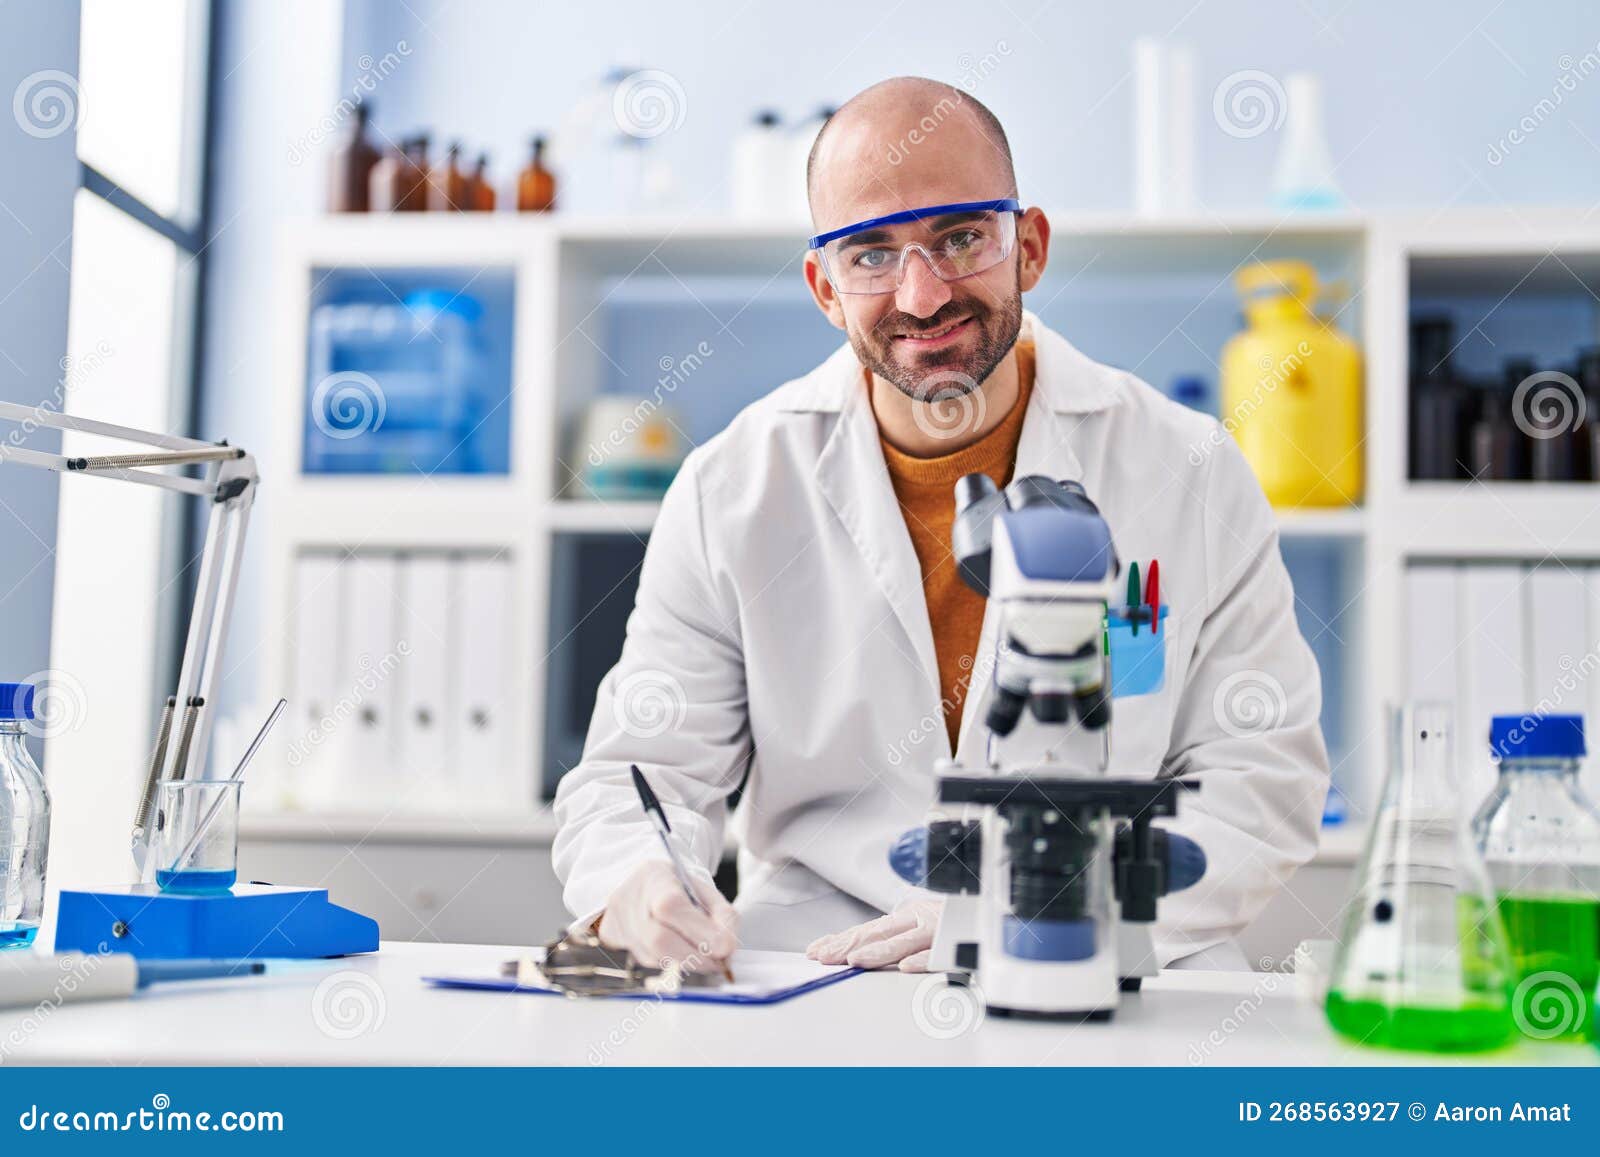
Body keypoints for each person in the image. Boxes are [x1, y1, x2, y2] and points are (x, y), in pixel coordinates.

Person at [552, 76, 1330, 975]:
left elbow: (1262, 776)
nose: (921, 296)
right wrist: (641, 882)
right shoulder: (732, 487)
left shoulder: (1188, 469)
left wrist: (1047, 908)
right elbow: (640, 772)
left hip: (1103, 949)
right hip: (823, 960)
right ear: (823, 285)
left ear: (1028, 246)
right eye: (870, 254)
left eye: (961, 238)